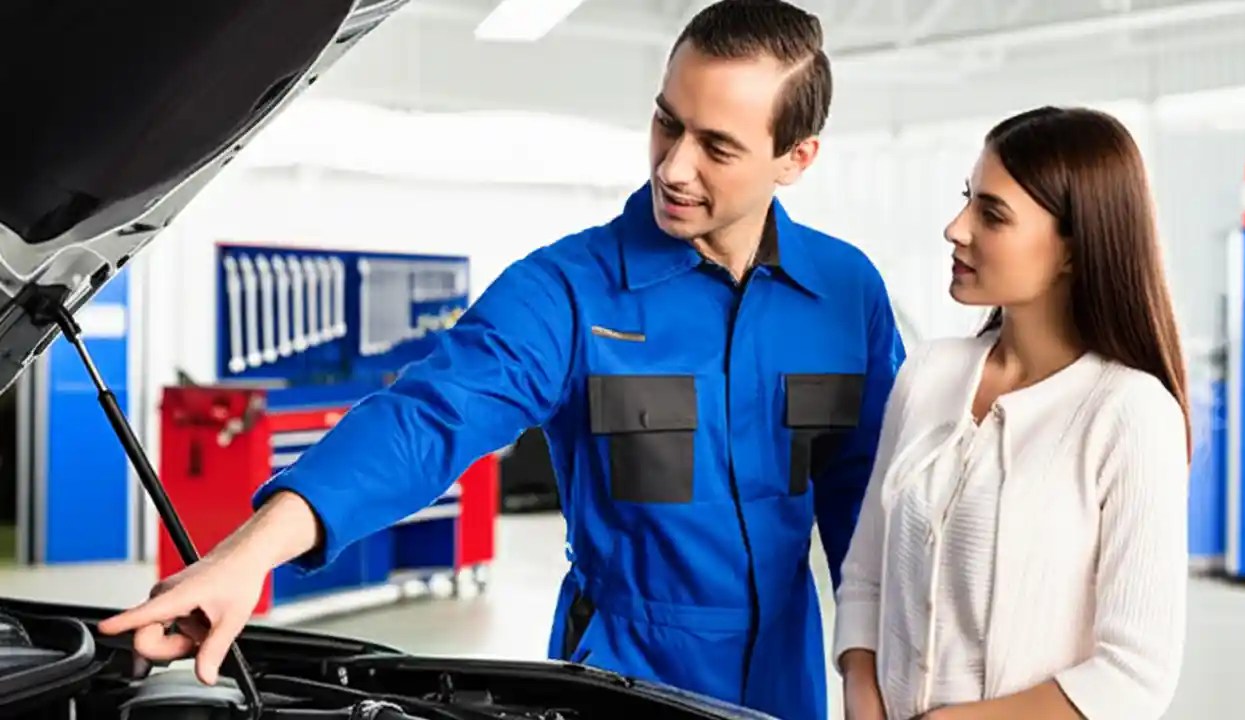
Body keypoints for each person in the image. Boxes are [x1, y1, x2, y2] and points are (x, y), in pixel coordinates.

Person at [100, 2, 905, 718]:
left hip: (787, 678)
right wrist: (249, 554)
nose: (672, 166)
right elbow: (429, 416)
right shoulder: (571, 289)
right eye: (667, 123)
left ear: (796, 159)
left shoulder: (843, 294)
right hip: (623, 673)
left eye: (716, 146)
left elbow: (870, 508)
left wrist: (880, 678)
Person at [832, 105, 1190, 720]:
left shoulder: (1130, 413)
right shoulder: (926, 375)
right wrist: (864, 703)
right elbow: (865, 578)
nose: (956, 228)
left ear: (1074, 251)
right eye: (968, 199)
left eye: (992, 215)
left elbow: (1133, 675)